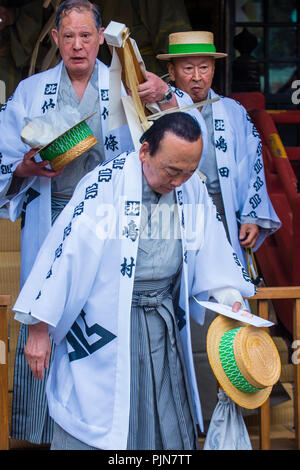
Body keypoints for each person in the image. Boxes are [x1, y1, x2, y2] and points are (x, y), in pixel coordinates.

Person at [13, 112, 256, 450]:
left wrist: (229, 295)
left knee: (165, 410)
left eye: (188, 172)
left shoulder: (191, 187)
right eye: (171, 170)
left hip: (162, 319)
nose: (179, 181)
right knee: (99, 416)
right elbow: (66, 253)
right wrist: (38, 327)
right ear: (145, 151)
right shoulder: (105, 185)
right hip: (107, 319)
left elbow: (212, 248)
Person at [0, 0, 133, 444]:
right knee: (44, 317)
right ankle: (40, 429)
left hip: (105, 223)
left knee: (98, 316)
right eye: (69, 36)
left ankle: (98, 426)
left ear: (100, 39)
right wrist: (23, 169)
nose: (78, 45)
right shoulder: (32, 91)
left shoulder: (123, 86)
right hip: (51, 215)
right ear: (55, 39)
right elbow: (6, 156)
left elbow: (151, 145)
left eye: (87, 36)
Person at [136, 30, 281, 426]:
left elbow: (253, 163)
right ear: (171, 71)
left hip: (224, 218)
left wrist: (251, 214)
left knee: (228, 302)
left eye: (204, 67)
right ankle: (181, 407)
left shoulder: (233, 112)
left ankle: (238, 396)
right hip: (171, 219)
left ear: (214, 68)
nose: (197, 76)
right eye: (187, 68)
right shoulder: (153, 110)